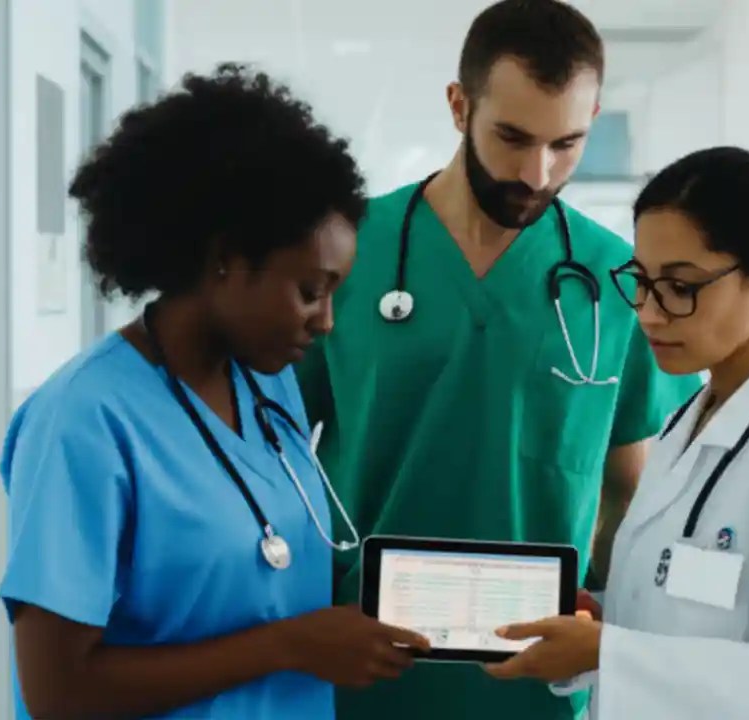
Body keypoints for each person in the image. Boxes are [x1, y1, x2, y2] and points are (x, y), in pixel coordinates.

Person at [294, 1, 700, 717]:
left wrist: (622, 635)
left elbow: (625, 495)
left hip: (534, 685)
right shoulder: (348, 250)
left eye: (566, 144)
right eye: (512, 138)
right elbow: (277, 457)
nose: (537, 173)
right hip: (363, 668)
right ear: (459, 106)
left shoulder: (615, 283)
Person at [0, 63, 431, 720]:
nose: (328, 321)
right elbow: (59, 691)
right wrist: (286, 645)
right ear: (225, 257)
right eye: (310, 292)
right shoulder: (83, 421)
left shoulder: (269, 384)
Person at [485, 146, 749, 719]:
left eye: (681, 287)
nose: (649, 313)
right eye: (642, 281)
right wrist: (595, 629)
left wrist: (615, 653)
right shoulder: (692, 419)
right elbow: (682, 617)